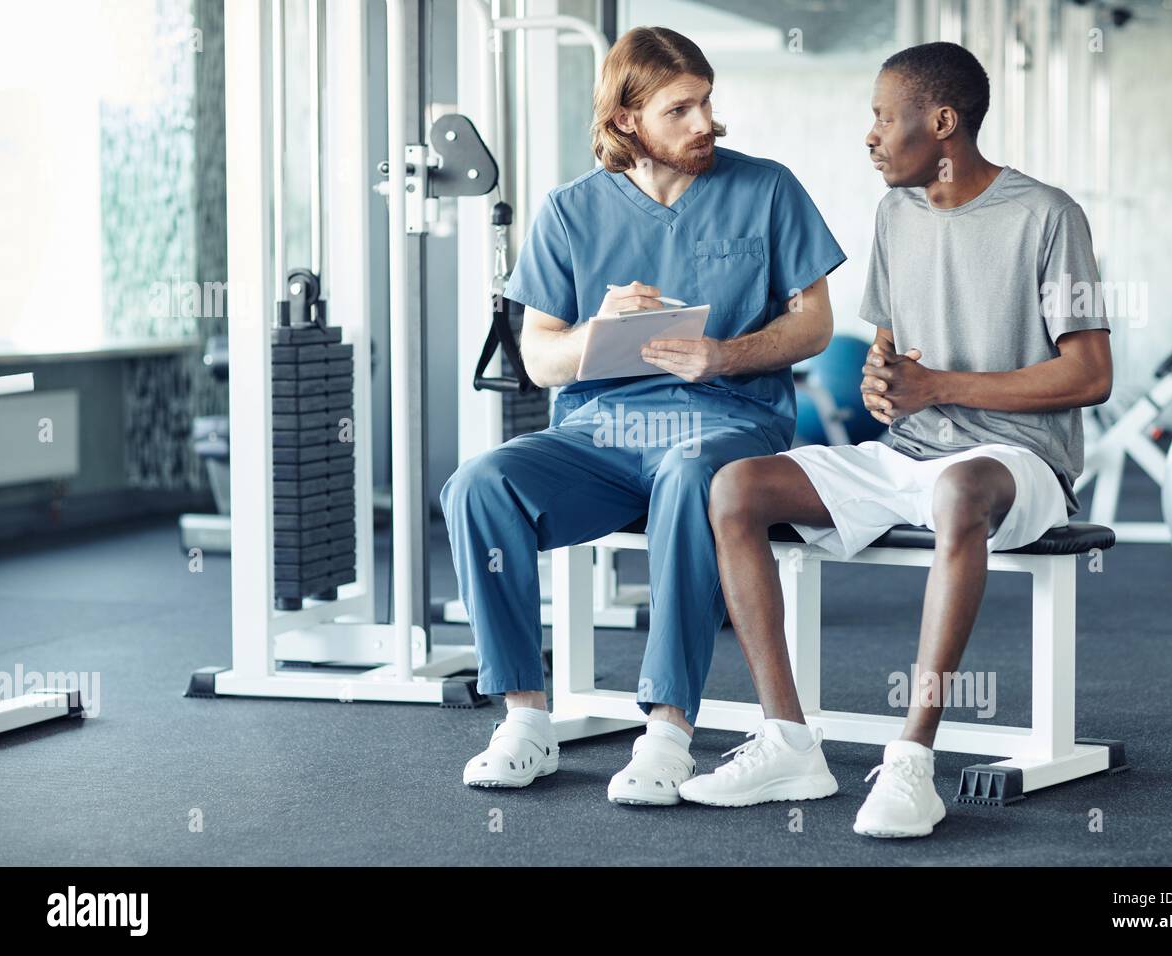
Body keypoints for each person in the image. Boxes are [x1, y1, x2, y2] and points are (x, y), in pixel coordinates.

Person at [680, 41, 1113, 838]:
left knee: (957, 489)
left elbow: (1090, 375)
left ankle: (912, 757)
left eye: (884, 118)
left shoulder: (1049, 216)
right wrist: (883, 381)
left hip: (1017, 462)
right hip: (909, 452)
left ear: (942, 123)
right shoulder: (894, 213)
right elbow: (890, 352)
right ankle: (787, 740)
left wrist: (941, 386)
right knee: (735, 489)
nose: (870, 136)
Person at [441, 26, 847, 805]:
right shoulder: (569, 212)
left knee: (692, 471)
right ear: (627, 120)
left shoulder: (766, 189)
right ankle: (525, 718)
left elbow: (814, 325)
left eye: (706, 102)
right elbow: (539, 359)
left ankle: (668, 731)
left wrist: (722, 356)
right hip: (602, 432)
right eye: (680, 110)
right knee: (478, 486)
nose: (705, 124)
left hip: (728, 420)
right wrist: (596, 329)